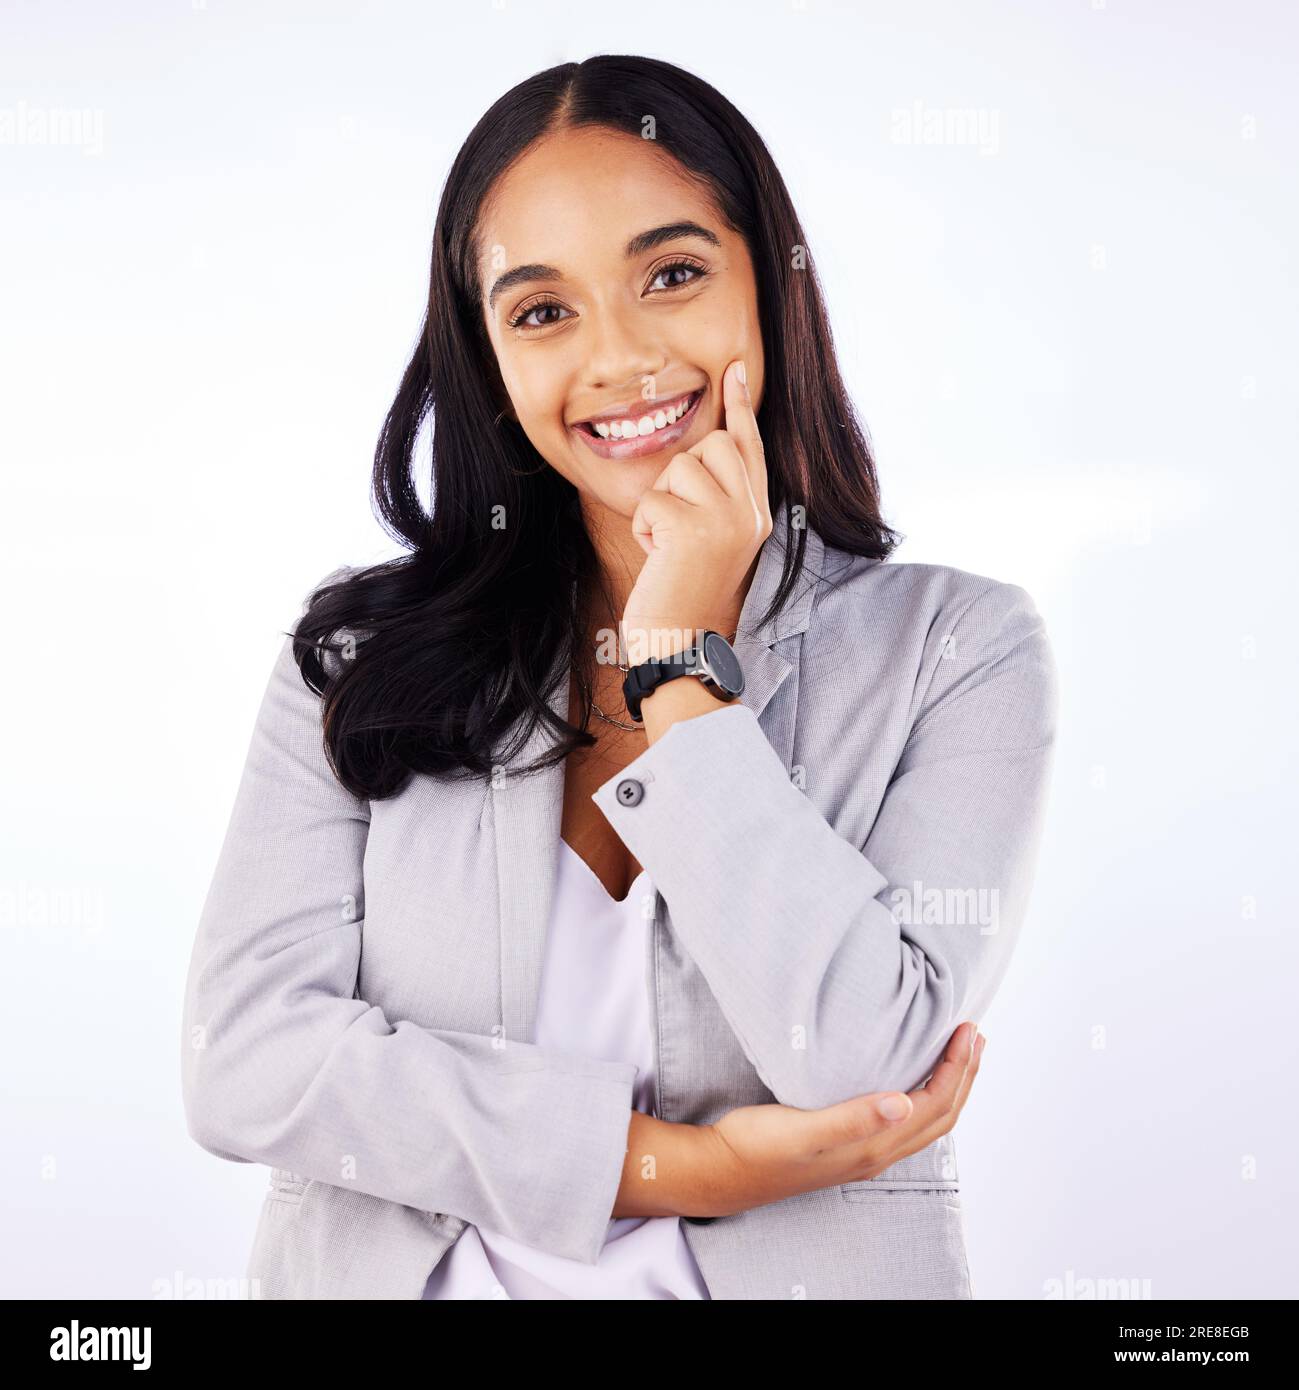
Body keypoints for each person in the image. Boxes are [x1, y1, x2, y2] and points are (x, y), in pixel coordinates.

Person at [181, 55, 1055, 1300]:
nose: (623, 357)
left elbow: (862, 1059)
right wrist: (682, 1168)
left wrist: (680, 668)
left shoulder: (958, 648)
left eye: (673, 275)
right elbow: (245, 1062)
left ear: (772, 286)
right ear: (488, 357)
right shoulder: (358, 664)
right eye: (544, 311)